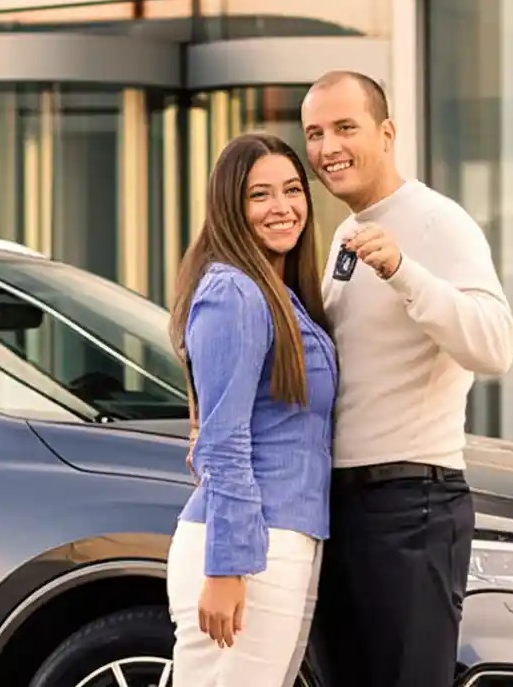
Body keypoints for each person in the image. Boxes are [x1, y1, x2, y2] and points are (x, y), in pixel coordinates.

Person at [300, 70, 513, 687]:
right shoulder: (345, 231)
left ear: (387, 132)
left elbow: (495, 344)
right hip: (342, 505)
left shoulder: (437, 222)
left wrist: (403, 270)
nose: (327, 147)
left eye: (345, 127)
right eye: (315, 133)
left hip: (411, 505)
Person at [167, 132, 337, 687]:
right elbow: (222, 440)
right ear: (231, 208)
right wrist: (227, 567)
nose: (282, 207)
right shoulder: (233, 293)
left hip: (286, 537)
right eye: (260, 195)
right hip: (249, 546)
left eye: (292, 189)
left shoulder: (282, 295)